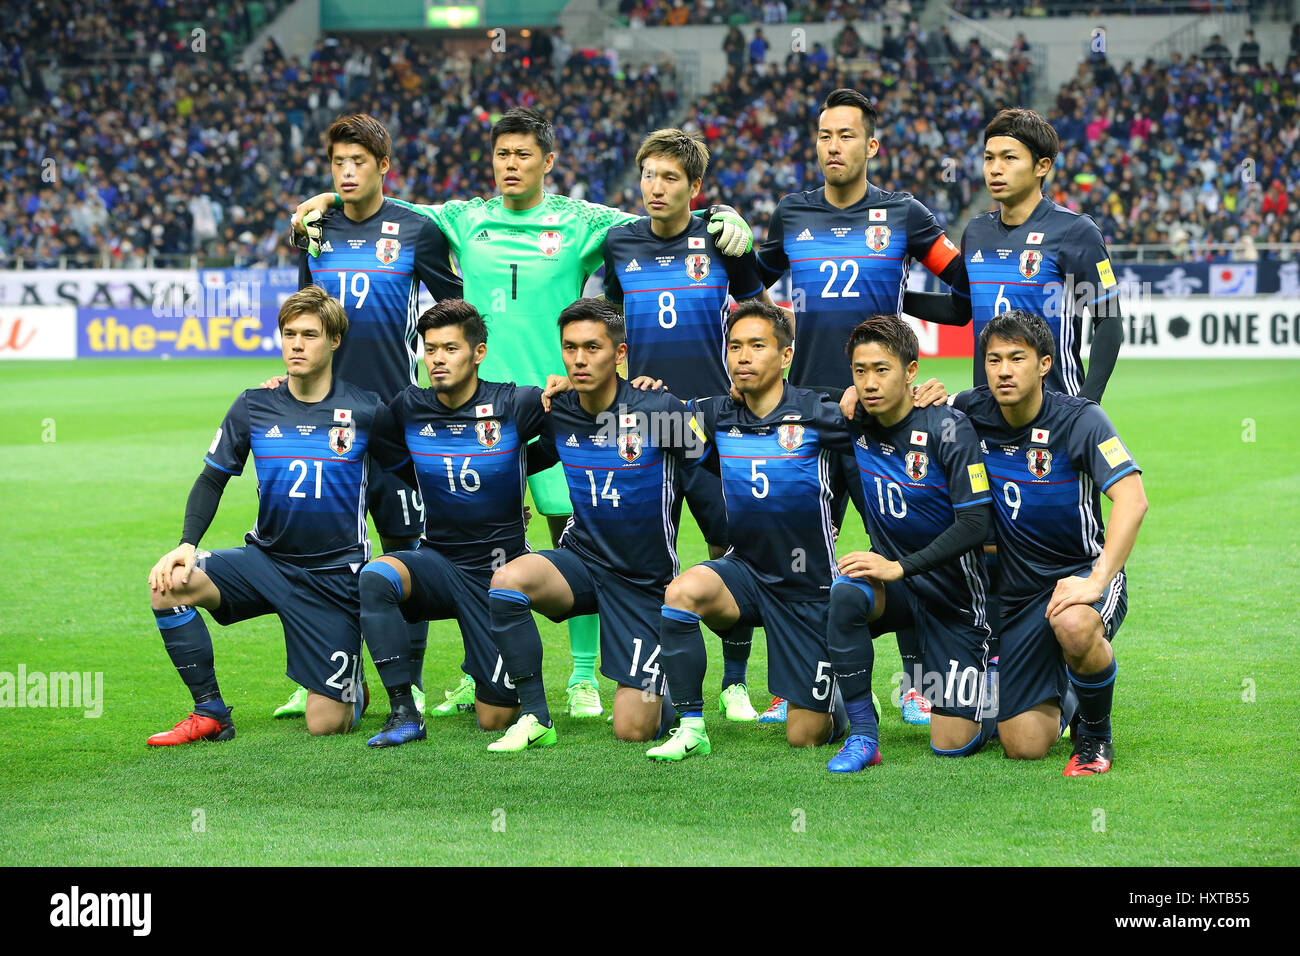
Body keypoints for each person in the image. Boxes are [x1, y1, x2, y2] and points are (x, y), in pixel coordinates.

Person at [292, 108, 754, 720]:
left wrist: (722, 217)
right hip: (479, 412)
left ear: (549, 161)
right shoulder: (463, 217)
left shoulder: (583, 222)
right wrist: (325, 197)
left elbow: (659, 217)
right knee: (468, 543)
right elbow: (383, 205)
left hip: (562, 408)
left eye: (523, 155)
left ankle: (585, 677)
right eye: (502, 154)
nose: (510, 165)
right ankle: (479, 671)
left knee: (581, 534)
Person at [755, 86, 962, 724]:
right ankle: (798, 683)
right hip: (806, 410)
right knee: (799, 544)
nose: (833, 146)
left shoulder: (903, 216)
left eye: (846, 135)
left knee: (895, 540)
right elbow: (746, 288)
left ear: (871, 145)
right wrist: (728, 242)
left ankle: (918, 684)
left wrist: (901, 306)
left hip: (879, 410)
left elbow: (967, 291)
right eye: (824, 135)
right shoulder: (792, 214)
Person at [145, 287, 411, 745]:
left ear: (334, 342)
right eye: (289, 334)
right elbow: (212, 478)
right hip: (266, 562)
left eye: (310, 334)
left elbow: (405, 477)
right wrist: (186, 544)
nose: (297, 344)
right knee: (168, 586)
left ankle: (353, 691)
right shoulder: (254, 404)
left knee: (325, 725)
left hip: (334, 577)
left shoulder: (367, 410)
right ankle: (210, 712)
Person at [274, 113, 464, 721]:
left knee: (403, 548)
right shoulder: (317, 228)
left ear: (385, 168)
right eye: (338, 165)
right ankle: (324, 675)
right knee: (317, 552)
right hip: (322, 420)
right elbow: (308, 312)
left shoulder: (417, 230)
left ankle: (406, 683)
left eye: (359, 163)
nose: (348, 173)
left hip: (389, 418)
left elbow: (454, 309)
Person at [484, 298, 705, 751]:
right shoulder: (559, 408)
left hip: (645, 582)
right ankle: (535, 715)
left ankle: (659, 692)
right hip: (582, 561)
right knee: (509, 580)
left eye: (592, 348)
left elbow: (708, 464)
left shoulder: (658, 409)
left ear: (619, 354)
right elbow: (522, 457)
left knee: (632, 730)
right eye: (570, 348)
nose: (580, 360)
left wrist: (729, 540)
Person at [603, 128, 771, 720]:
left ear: (694, 187)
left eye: (670, 177)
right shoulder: (619, 245)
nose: (655, 186)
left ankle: (734, 681)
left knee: (728, 544)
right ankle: (664, 679)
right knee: (654, 549)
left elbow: (760, 315)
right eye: (648, 174)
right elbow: (608, 329)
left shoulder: (720, 238)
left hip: (713, 420)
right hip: (649, 424)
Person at [646, 300, 852, 761]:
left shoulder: (818, 413)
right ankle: (691, 724)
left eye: (757, 346)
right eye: (735, 346)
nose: (743, 356)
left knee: (805, 736)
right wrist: (641, 393)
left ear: (785, 356)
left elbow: (880, 437)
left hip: (808, 586)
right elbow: (643, 423)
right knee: (682, 592)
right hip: (746, 573)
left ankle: (837, 699)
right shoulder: (716, 415)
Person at [951, 310, 1146, 775]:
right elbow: (904, 410)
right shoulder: (969, 410)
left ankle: (1095, 736)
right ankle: (1071, 690)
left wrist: (1097, 580)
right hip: (1017, 593)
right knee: (1023, 746)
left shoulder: (1082, 419)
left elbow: (1132, 500)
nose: (1003, 370)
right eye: (994, 359)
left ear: (1044, 364)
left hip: (1079, 573)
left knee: (1077, 626)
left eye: (1017, 358)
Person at [361, 299, 557, 747]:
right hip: (439, 561)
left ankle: (494, 684)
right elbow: (393, 457)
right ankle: (403, 711)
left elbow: (566, 428)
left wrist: (516, 469)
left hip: (498, 570)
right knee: (376, 576)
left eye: (450, 348)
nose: (437, 359)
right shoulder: (408, 407)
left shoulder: (514, 401)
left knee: (495, 718)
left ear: (478, 353)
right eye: (430, 350)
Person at [825, 315, 993, 772]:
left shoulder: (949, 429)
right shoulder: (850, 419)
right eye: (860, 371)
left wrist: (899, 566)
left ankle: (1007, 686)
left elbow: (976, 523)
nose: (870, 382)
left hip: (956, 601)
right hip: (898, 592)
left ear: (912, 371)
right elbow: (781, 406)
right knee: (845, 593)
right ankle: (863, 734)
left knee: (951, 743)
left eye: (882, 369)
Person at [903, 108, 1123, 403]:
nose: (994, 168)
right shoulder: (977, 231)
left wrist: (1087, 405)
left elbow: (1108, 320)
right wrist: (893, 295)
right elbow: (959, 310)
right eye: (989, 158)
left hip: (1056, 412)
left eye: (1009, 158)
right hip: (988, 417)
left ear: (1041, 166)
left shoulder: (1075, 232)